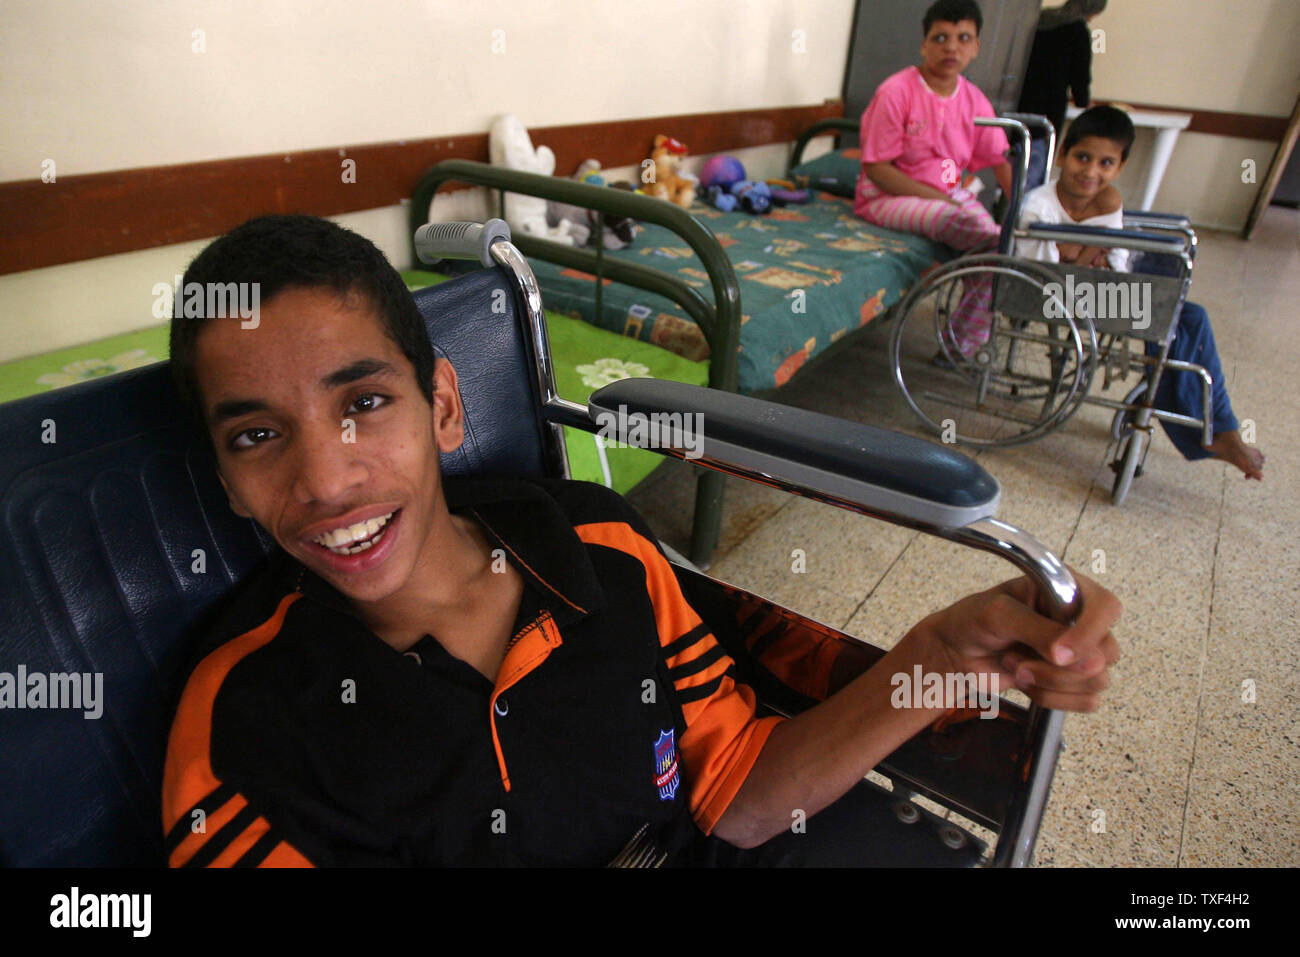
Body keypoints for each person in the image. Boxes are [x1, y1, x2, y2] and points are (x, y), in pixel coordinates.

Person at [161, 214, 1121, 866]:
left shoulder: (604, 552)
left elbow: (738, 792)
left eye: (365, 403)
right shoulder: (242, 726)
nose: (325, 480)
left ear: (444, 406)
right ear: (226, 482)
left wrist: (942, 657)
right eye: (256, 435)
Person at [1015, 106, 1265, 480]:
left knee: (1184, 318)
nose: (1091, 172)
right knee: (1175, 319)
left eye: (1105, 163)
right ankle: (1216, 431)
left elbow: (1113, 263)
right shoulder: (1040, 205)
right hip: (1052, 293)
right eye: (1082, 158)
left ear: (1119, 166)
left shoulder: (1108, 201)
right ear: (1063, 154)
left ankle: (1217, 427)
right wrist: (1085, 254)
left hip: (1098, 291)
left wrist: (1078, 252)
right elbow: (1046, 266)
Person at [854, 0, 1013, 359]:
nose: (951, 46)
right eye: (941, 37)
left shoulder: (974, 100)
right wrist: (939, 199)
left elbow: (999, 158)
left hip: (949, 195)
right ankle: (963, 342)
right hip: (885, 196)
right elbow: (878, 168)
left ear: (975, 47)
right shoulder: (896, 92)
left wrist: (1028, 210)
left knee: (1001, 251)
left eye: (963, 38)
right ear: (924, 44)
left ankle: (961, 344)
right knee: (971, 227)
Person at [1017, 0, 1109, 191]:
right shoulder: (1077, 30)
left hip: (1016, 98)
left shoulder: (1039, 18)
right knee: (1032, 171)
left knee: (1010, 164)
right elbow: (1080, 75)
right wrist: (1083, 101)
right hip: (1047, 107)